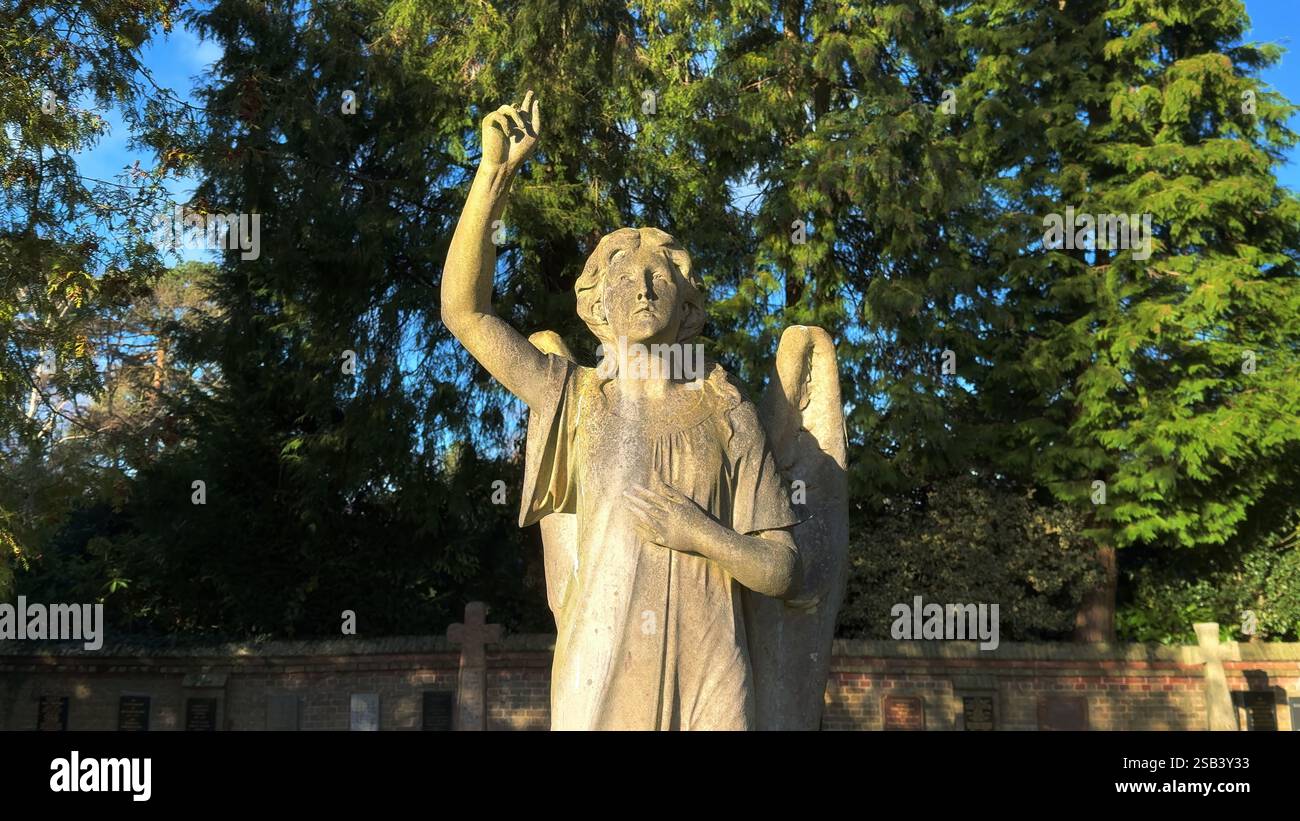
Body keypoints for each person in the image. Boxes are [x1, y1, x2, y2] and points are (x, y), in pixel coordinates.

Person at [442, 92, 802, 730]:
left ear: (687, 303)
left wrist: (701, 533)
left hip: (711, 669)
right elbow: (466, 313)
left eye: (659, 277)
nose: (641, 287)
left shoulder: (727, 404)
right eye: (623, 277)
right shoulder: (575, 396)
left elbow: (780, 568)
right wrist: (493, 175)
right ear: (597, 303)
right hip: (601, 666)